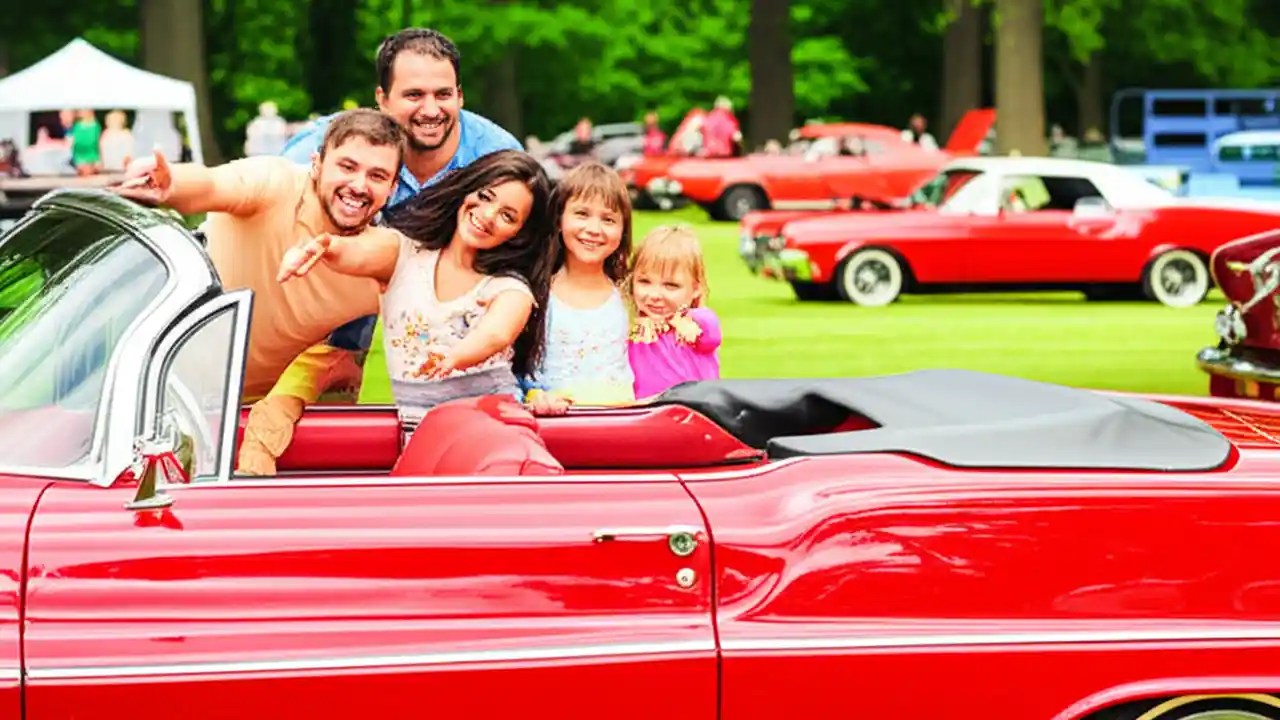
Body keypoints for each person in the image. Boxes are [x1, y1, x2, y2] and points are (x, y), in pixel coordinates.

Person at [111, 108, 407, 474]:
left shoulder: (381, 260)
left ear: (392, 189)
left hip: (255, 414)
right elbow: (213, 184)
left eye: (377, 176)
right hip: (159, 389)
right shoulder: (274, 182)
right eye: (347, 167)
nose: (359, 186)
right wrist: (173, 184)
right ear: (317, 164)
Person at [272, 27, 523, 424]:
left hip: (454, 299)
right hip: (337, 286)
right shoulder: (335, 142)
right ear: (381, 100)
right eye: (413, 95)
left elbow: (527, 256)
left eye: (443, 94)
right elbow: (273, 196)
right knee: (306, 414)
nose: (430, 109)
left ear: (460, 95)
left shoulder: (496, 156)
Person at [277, 150, 555, 437]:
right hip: (415, 423)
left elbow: (497, 333)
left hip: (487, 422)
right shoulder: (407, 254)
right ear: (466, 190)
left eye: (507, 216)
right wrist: (321, 247)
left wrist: (455, 357)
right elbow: (356, 252)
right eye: (485, 196)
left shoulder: (509, 287)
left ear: (520, 234)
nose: (487, 215)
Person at [522, 162, 635, 415]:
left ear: (622, 230)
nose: (594, 230)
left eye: (608, 219)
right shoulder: (536, 292)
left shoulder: (631, 296)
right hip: (554, 425)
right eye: (582, 214)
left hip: (620, 423)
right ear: (559, 219)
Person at [627, 225, 721, 398]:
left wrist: (681, 321)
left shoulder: (693, 324)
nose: (654, 295)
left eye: (671, 285)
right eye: (644, 281)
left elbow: (711, 330)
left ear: (695, 288)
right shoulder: (631, 328)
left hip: (691, 417)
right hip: (642, 418)